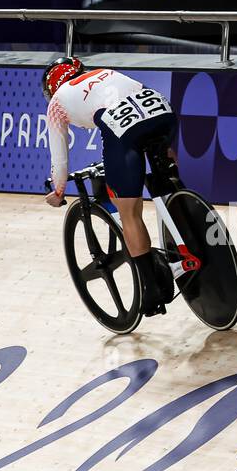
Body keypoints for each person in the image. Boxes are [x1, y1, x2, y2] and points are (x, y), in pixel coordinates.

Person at [41, 57, 179, 316]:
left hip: (123, 128)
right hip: (163, 112)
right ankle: (183, 213)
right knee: (164, 166)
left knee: (128, 212)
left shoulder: (57, 103)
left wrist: (58, 191)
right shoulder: (104, 72)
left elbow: (60, 161)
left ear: (51, 87)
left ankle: (151, 292)